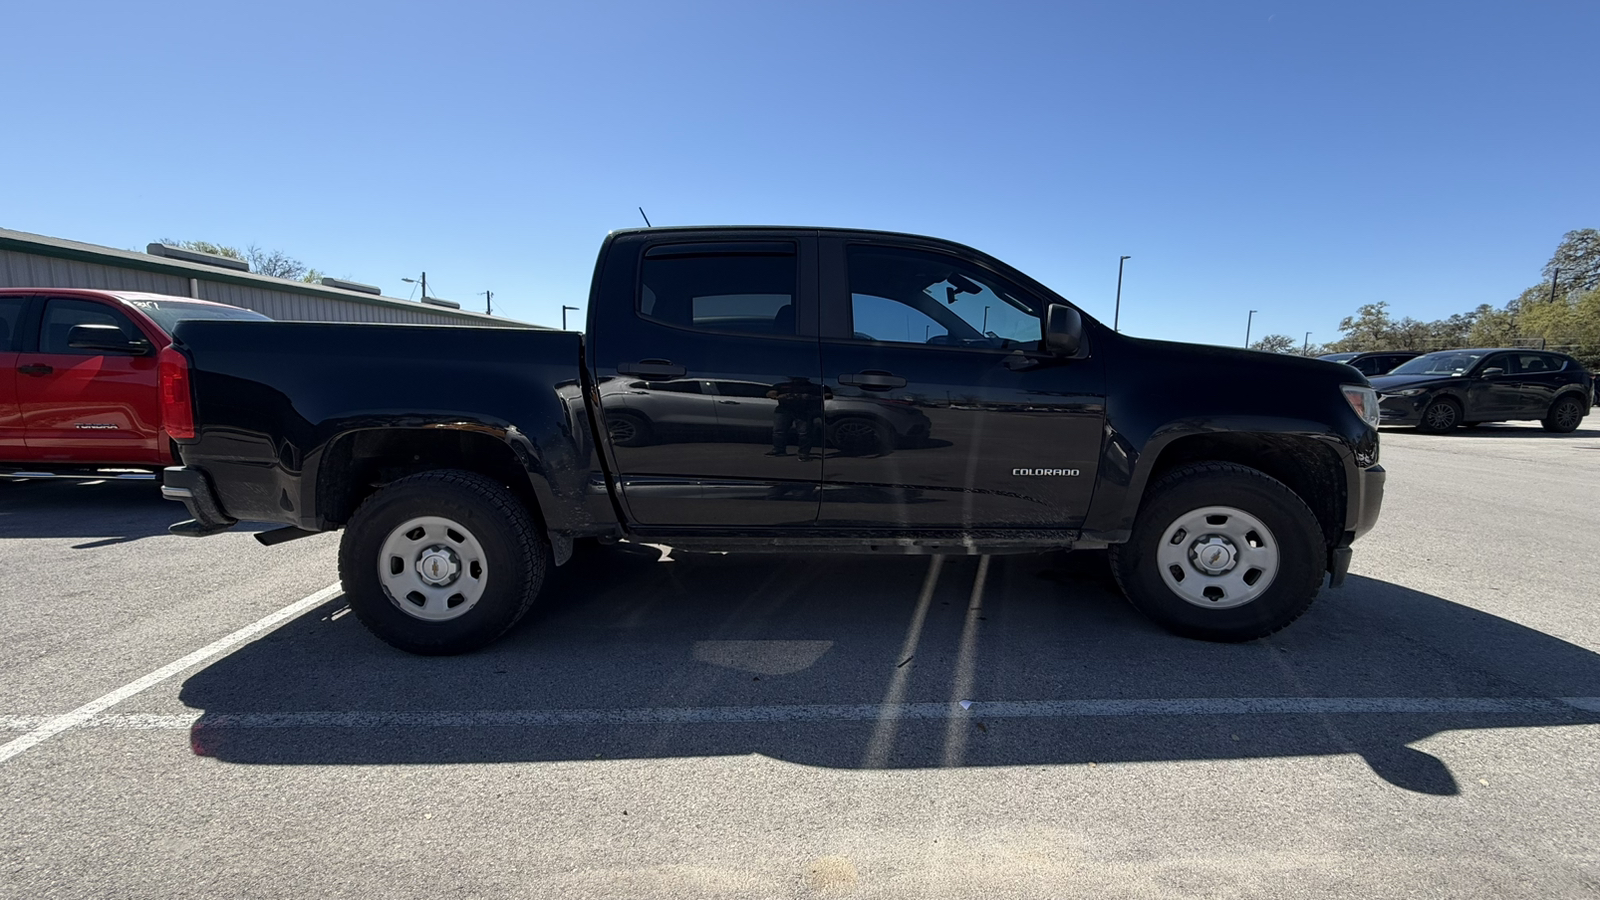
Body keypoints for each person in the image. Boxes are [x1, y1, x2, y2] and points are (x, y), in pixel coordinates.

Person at [766, 376, 825, 459]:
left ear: (807, 378)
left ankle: (803, 453)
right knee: (778, 431)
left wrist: (808, 397)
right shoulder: (781, 385)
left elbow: (828, 395)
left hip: (804, 411)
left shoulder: (816, 387)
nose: (799, 379)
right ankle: (779, 450)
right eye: (796, 377)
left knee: (804, 433)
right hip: (783, 410)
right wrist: (779, 396)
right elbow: (770, 393)